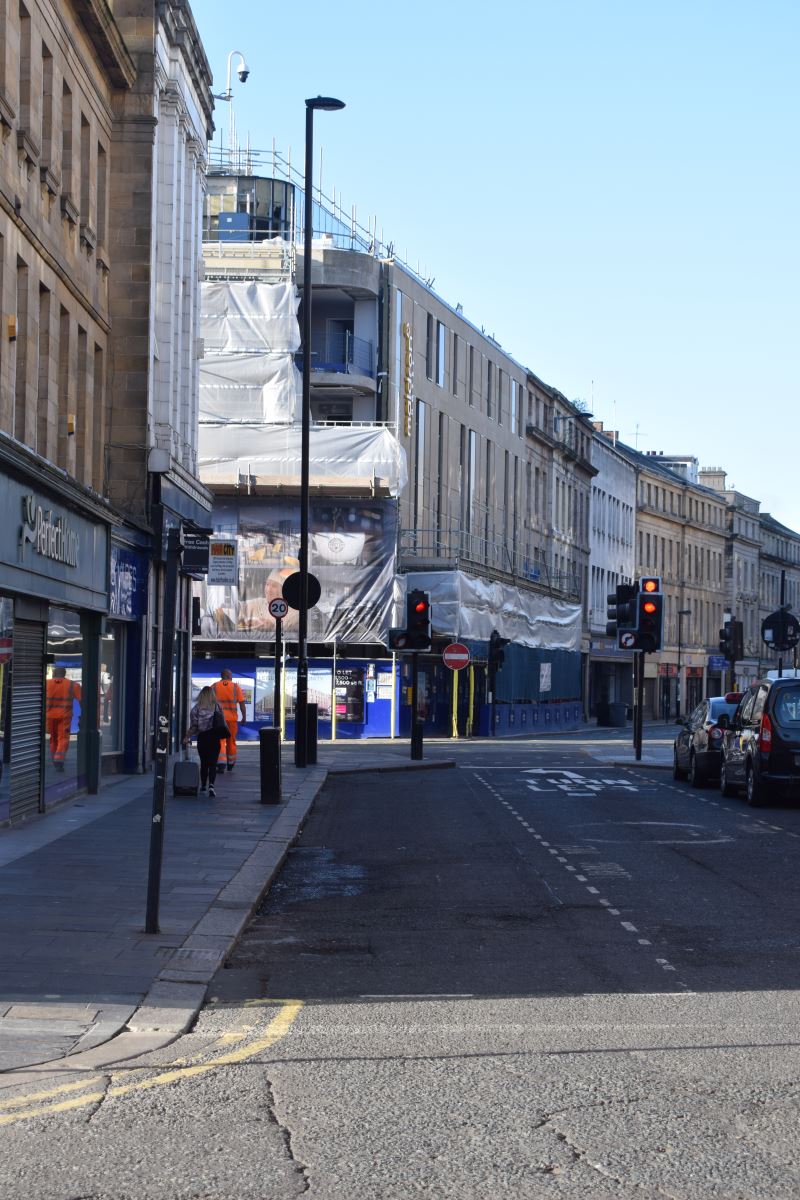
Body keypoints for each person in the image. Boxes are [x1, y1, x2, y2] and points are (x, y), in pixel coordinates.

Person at [183, 686, 226, 797]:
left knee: (204, 763)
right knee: (213, 763)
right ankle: (211, 785)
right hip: (214, 738)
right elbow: (222, 722)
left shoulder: (196, 709)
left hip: (203, 738)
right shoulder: (217, 707)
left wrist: (187, 737)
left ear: (201, 695)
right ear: (212, 695)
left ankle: (203, 786)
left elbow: (194, 726)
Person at [45, 666, 82, 771]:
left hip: (49, 716)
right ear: (64, 674)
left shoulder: (46, 684)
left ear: (54, 673)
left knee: (53, 738)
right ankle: (59, 760)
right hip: (64, 716)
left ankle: (54, 759)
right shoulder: (72, 685)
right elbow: (82, 700)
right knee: (63, 738)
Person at [213, 668, 247, 772]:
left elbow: (209, 702)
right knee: (231, 740)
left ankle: (221, 763)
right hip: (232, 720)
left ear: (222, 676)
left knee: (220, 740)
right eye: (231, 675)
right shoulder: (236, 687)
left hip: (219, 719)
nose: (232, 677)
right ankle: (231, 763)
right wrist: (244, 717)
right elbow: (241, 703)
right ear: (228, 675)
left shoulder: (214, 686)